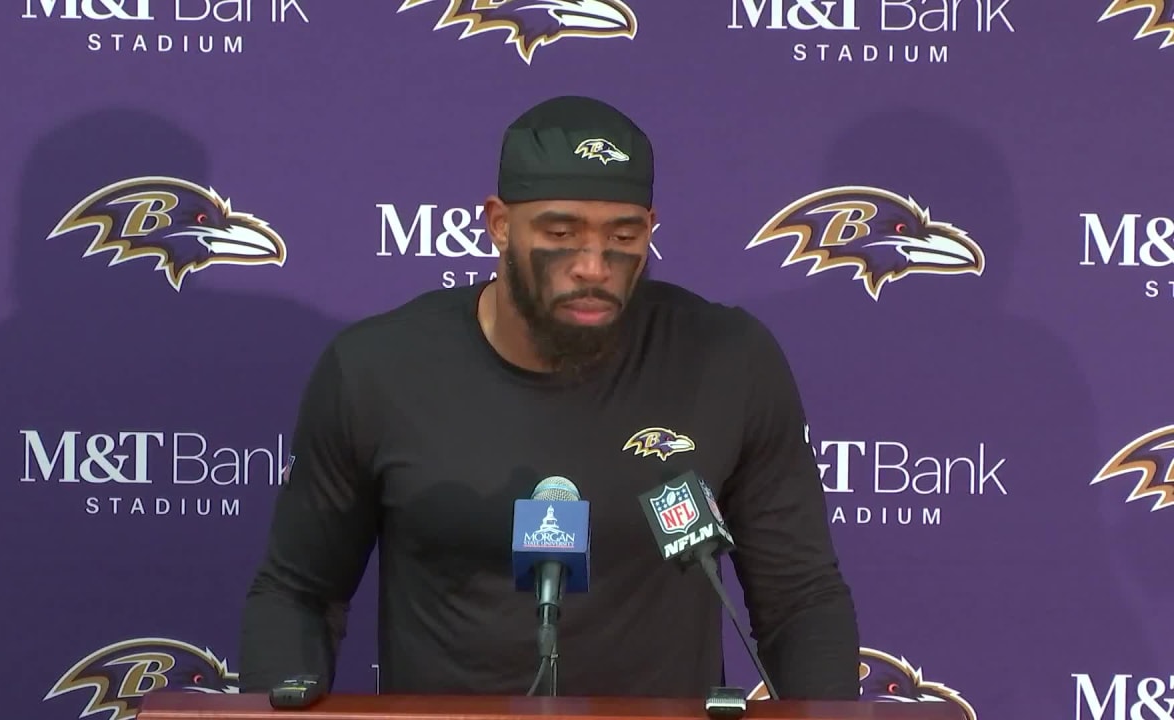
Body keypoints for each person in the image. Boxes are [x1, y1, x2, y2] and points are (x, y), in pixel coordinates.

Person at [237, 95, 859, 700]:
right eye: (561, 231)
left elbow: (799, 598)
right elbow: (298, 592)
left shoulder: (728, 361)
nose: (593, 264)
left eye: (623, 236)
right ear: (499, 225)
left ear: (651, 231)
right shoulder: (377, 369)